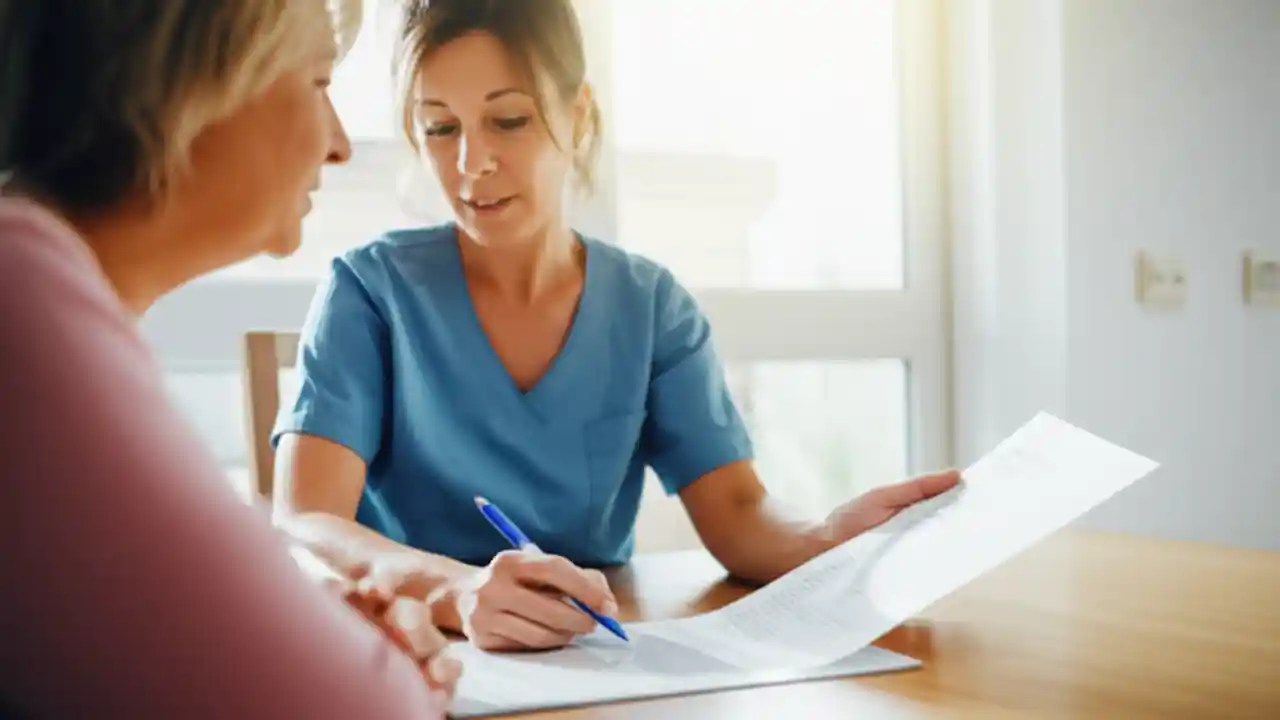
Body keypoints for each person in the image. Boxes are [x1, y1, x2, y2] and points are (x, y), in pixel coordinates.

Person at [274, 0, 961, 653]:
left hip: (586, 657)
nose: (469, 164)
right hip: (413, 654)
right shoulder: (368, 291)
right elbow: (307, 519)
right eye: (440, 127)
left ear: (579, 115)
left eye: (509, 120)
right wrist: (457, 590)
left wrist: (827, 539)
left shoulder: (650, 306)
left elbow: (739, 515)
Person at [0, 1, 459, 716]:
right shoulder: (21, 306)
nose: (336, 144)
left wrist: (319, 637)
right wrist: (371, 669)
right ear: (191, 83)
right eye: (316, 82)